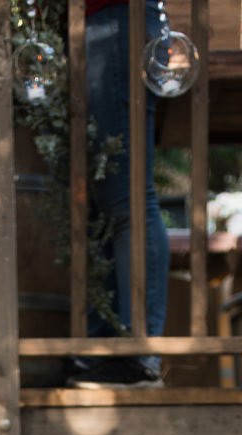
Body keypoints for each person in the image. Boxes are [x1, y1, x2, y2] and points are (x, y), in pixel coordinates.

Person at [69, 0, 169, 388]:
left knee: (127, 198)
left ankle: (137, 355)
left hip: (114, 20)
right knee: (104, 204)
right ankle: (107, 350)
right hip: (100, 23)